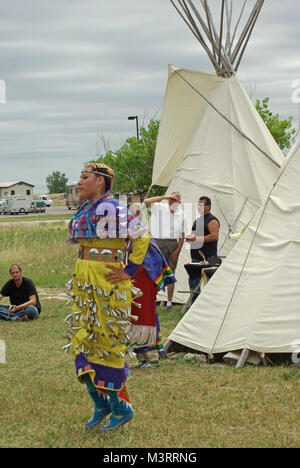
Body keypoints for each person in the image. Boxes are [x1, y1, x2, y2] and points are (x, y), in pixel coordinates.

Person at [65, 162, 150, 432]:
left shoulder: (113, 208)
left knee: (107, 342)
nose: (79, 182)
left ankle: (120, 407)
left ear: (100, 181)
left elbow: (142, 236)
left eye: (85, 177)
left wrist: (129, 270)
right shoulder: (86, 209)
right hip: (85, 279)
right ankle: (100, 403)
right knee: (83, 341)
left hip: (108, 280)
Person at [144, 192, 185, 311]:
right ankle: (152, 299)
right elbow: (147, 201)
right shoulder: (160, 208)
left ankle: (169, 303)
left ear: (179, 203)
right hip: (158, 241)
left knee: (171, 272)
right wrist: (165, 197)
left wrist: (178, 249)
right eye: (170, 199)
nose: (171, 201)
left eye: (174, 200)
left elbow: (182, 234)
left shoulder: (181, 214)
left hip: (172, 243)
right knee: (154, 270)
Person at [185, 196, 220, 303]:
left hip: (208, 258)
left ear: (208, 206)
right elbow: (197, 236)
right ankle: (194, 305)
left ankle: (203, 305)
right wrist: (191, 238)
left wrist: (197, 238)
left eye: (201, 205)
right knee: (193, 282)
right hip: (196, 258)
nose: (198, 207)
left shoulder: (212, 220)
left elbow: (214, 236)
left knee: (207, 283)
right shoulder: (198, 220)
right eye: (198, 205)